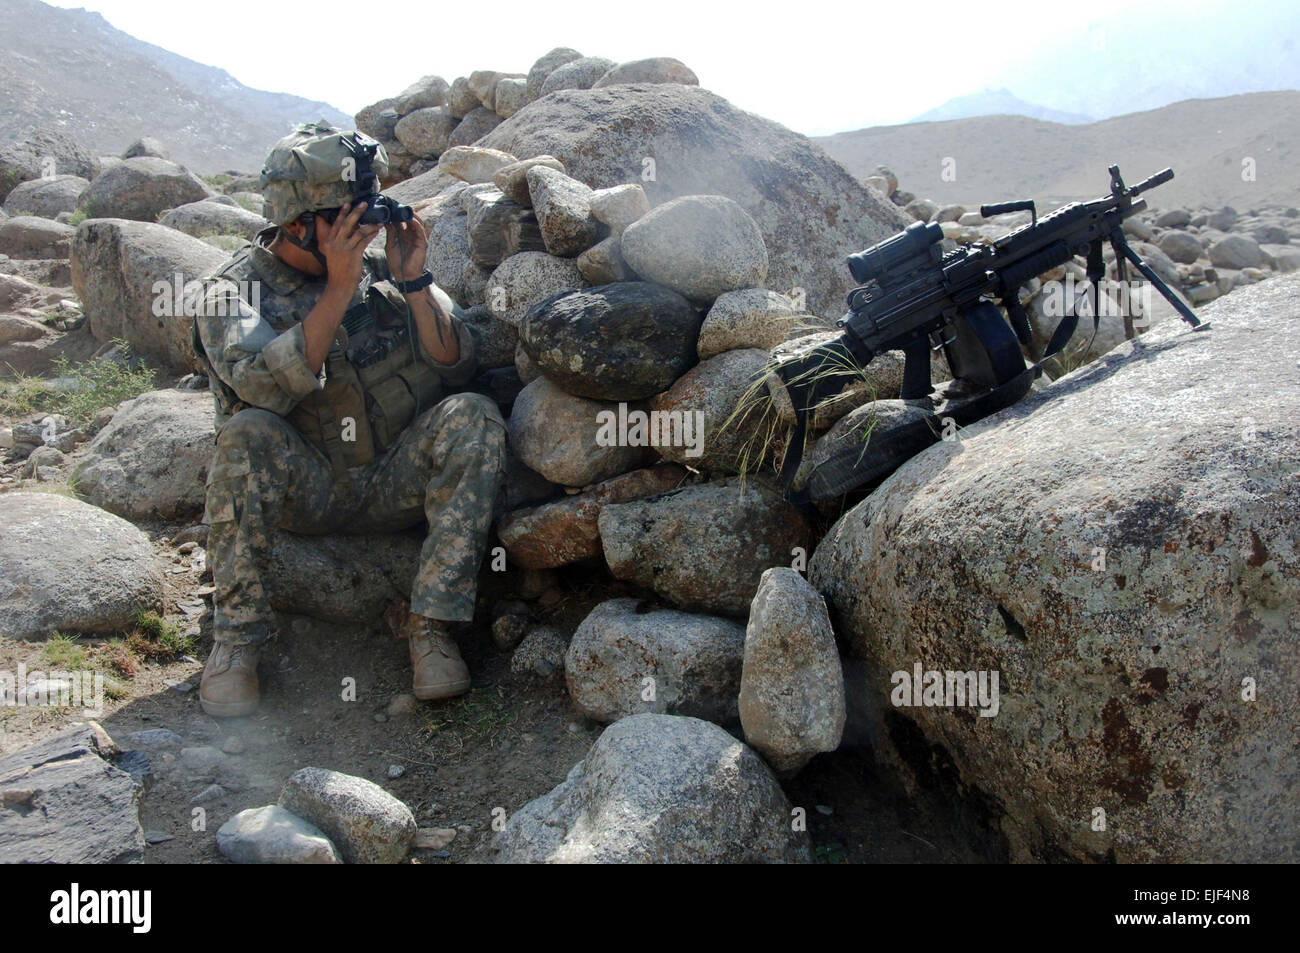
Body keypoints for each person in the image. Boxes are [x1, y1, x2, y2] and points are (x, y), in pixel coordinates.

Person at [191, 120, 506, 717]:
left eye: (366, 213)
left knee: (474, 415)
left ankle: (431, 629)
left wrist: (412, 280)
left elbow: (459, 363)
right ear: (295, 224)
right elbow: (259, 387)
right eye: (345, 219)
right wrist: (337, 289)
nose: (362, 230)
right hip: (306, 489)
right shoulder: (232, 293)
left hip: (390, 476)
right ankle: (236, 642)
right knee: (245, 435)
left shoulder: (380, 264)